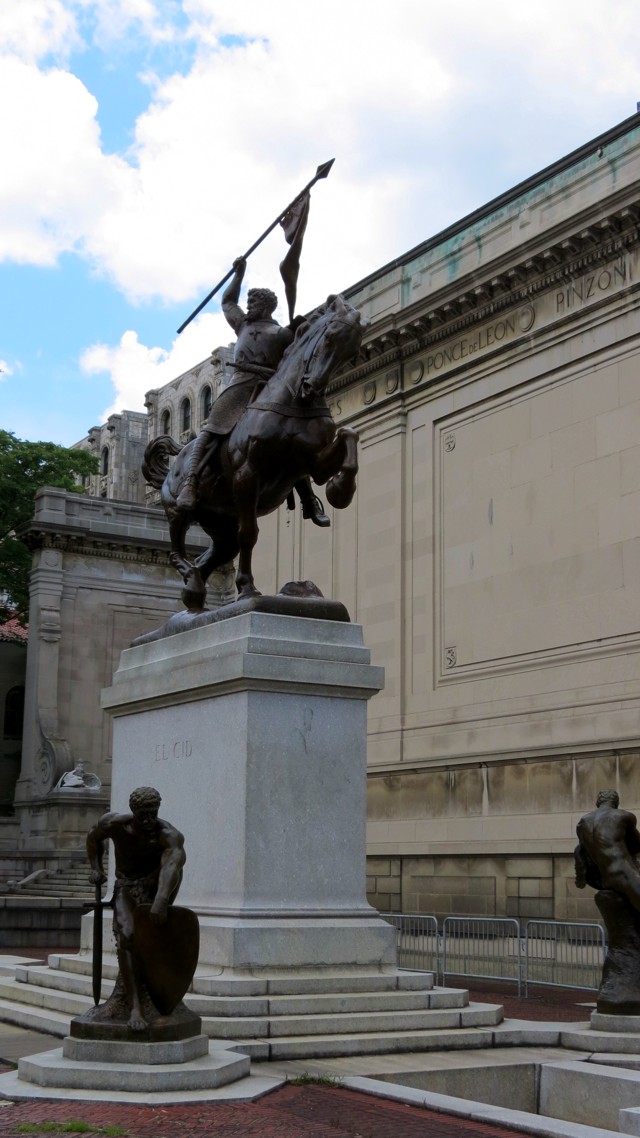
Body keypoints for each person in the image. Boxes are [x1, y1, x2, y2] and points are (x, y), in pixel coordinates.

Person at [176, 256, 329, 526]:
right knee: (212, 428)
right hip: (239, 387)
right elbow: (227, 302)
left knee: (289, 438)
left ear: (267, 306)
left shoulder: (283, 333)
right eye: (249, 303)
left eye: (254, 303)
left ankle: (308, 499)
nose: (249, 306)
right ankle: (190, 482)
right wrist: (238, 274)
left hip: (268, 389)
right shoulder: (243, 325)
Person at [86, 786, 186, 1031]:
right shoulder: (114, 824)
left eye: (153, 812)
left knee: (155, 935)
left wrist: (161, 900)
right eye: (143, 814)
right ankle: (135, 1007)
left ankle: (160, 994)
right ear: (133, 812)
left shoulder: (169, 834)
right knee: (128, 937)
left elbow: (173, 864)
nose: (149, 819)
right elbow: (92, 837)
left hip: (156, 885)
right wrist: (95, 867)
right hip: (126, 885)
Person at [575, 789, 640, 910]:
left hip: (604, 880)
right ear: (616, 803)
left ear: (597, 803)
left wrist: (580, 877)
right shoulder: (624, 816)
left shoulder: (582, 822)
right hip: (625, 875)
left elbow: (580, 851)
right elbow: (636, 845)